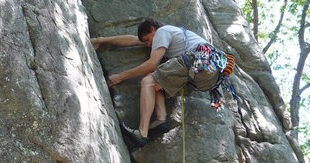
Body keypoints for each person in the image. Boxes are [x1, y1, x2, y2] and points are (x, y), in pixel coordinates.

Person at [91, 18, 234, 146]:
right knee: (158, 81)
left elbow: (151, 64)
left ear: (152, 29)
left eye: (147, 40)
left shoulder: (161, 32)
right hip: (209, 76)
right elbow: (131, 40)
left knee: (148, 81)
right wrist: (102, 40)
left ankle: (142, 133)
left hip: (198, 60)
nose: (147, 45)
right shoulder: (173, 35)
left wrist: (120, 76)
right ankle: (161, 119)